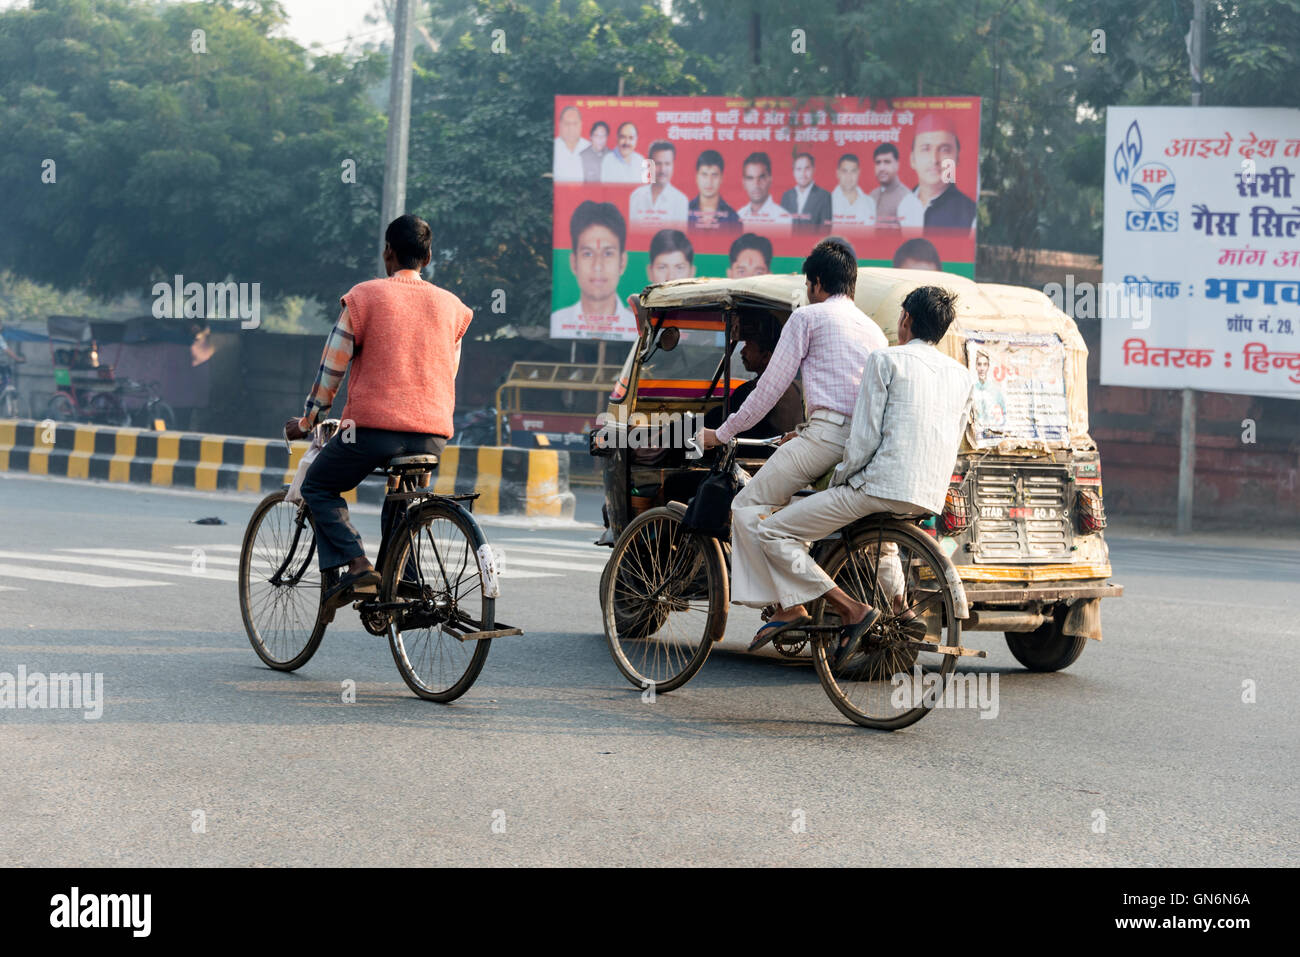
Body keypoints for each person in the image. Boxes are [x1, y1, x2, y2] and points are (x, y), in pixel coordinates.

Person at [746, 285, 975, 668]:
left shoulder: (886, 360)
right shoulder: (962, 376)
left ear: (906, 320)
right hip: (926, 495)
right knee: (881, 540)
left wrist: (840, 479)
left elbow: (865, 436)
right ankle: (900, 609)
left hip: (878, 486)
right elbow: (956, 439)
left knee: (773, 532)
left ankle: (848, 609)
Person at [698, 239, 888, 642]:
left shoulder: (807, 318)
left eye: (808, 285)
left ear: (816, 283)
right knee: (791, 520)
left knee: (748, 505)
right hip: (862, 445)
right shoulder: (873, 329)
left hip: (827, 438)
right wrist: (799, 432)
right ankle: (799, 596)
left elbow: (768, 389)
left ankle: (789, 607)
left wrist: (721, 433)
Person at [287, 215, 472, 609]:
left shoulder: (364, 297)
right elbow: (447, 372)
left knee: (318, 486)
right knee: (402, 496)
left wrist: (308, 421)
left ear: (388, 252)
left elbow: (331, 369)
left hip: (371, 431)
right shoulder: (452, 308)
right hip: (432, 435)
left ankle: (357, 566)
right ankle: (401, 578)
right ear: (429, 256)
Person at [704, 326, 804, 459]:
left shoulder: (751, 390)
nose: (742, 351)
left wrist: (676, 430)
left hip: (752, 466)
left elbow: (715, 421)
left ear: (766, 356)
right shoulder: (799, 389)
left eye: (748, 345)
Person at [550, 200, 635, 339]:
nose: (597, 266)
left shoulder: (637, 327)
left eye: (608, 253)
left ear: (622, 262)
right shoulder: (559, 321)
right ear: (573, 263)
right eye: (588, 254)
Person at [910, 114, 978, 233]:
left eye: (944, 150)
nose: (934, 159)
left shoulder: (970, 214)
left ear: (957, 159)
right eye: (925, 149)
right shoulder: (896, 207)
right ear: (913, 160)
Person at [628, 141, 689, 228]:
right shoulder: (636, 196)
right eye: (658, 164)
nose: (663, 170)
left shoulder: (681, 201)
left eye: (667, 164)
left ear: (673, 165)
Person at [868, 143, 924, 229]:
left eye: (887, 162)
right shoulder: (872, 195)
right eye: (878, 163)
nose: (881, 168)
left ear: (897, 165)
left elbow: (912, 240)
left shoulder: (908, 199)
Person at [737, 152, 793, 234]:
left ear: (770, 180)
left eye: (761, 177)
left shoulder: (784, 219)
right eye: (750, 178)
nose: (756, 184)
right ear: (744, 183)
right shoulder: (738, 216)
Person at [688, 150, 742, 232]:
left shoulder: (733, 218)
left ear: (721, 178)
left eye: (714, 175)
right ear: (696, 178)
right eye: (704, 175)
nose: (709, 181)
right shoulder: (683, 212)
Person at [780, 152, 832, 227]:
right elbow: (782, 227)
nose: (803, 174)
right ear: (793, 172)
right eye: (799, 169)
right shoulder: (786, 196)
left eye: (807, 168)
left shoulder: (825, 196)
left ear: (814, 170)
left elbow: (826, 229)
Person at [831, 154, 876, 228]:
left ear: (858, 173)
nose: (848, 176)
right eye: (844, 171)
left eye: (853, 171)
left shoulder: (870, 202)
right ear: (838, 173)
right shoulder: (827, 203)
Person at [552, 105, 589, 183]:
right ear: (560, 125)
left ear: (581, 124)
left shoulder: (589, 147)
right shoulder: (552, 146)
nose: (571, 128)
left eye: (575, 124)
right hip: (559, 193)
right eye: (567, 124)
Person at [971, 350, 1007, 429]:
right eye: (979, 364)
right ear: (976, 367)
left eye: (985, 365)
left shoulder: (995, 390)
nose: (982, 368)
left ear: (988, 367)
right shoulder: (972, 390)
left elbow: (1004, 412)